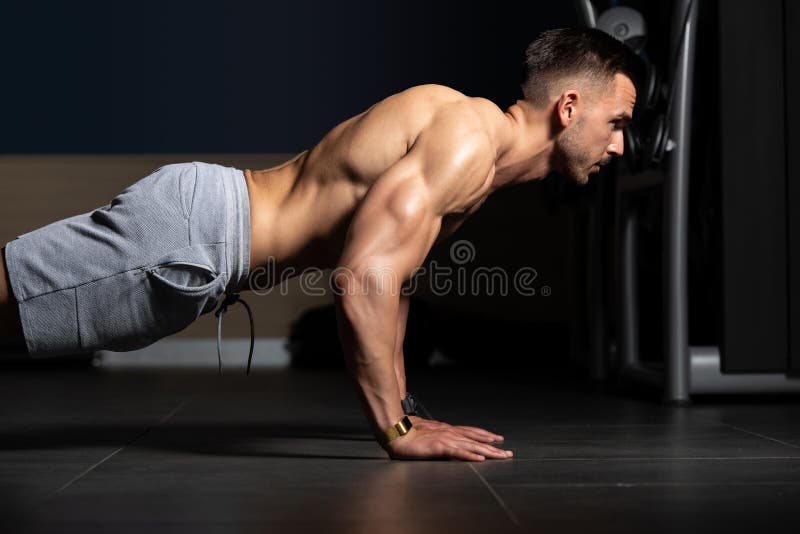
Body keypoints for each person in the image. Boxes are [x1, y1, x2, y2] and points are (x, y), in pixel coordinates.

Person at [0, 28, 642, 461]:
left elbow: (398, 288)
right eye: (616, 124)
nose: (619, 145)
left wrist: (408, 408)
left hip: (204, 245)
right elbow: (364, 280)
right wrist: (395, 431)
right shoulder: (468, 140)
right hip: (197, 236)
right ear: (568, 106)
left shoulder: (477, 155)